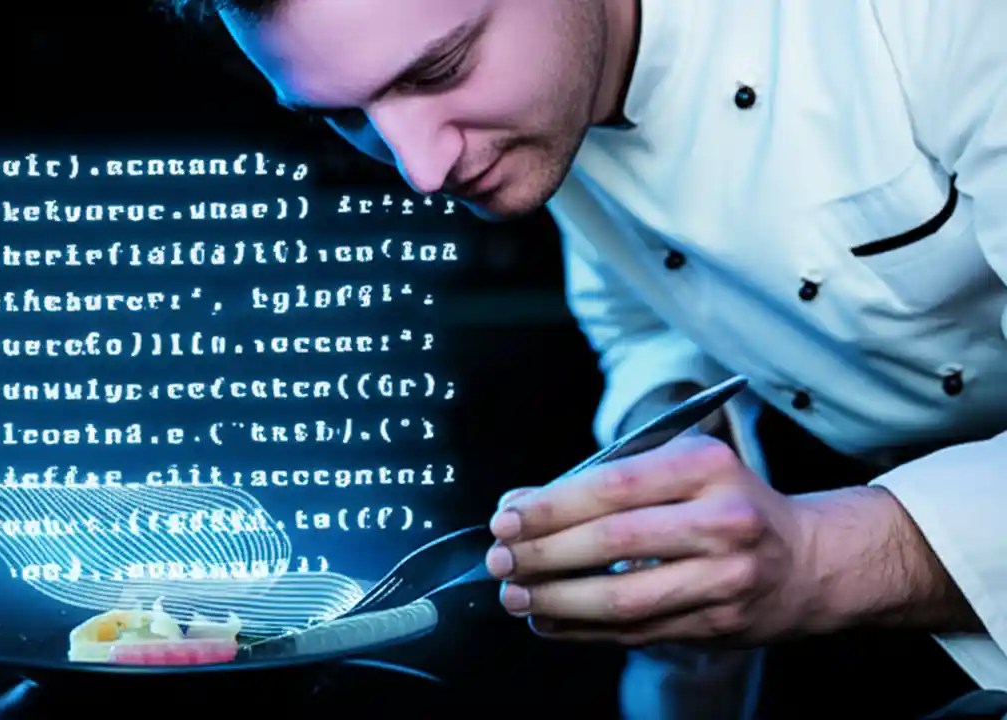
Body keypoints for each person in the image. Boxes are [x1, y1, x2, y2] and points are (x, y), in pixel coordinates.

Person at [163, 0, 1007, 717]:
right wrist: (664, 437)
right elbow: (645, 321)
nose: (421, 171)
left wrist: (819, 559)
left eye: (440, 68)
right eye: (344, 115)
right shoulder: (551, 102)